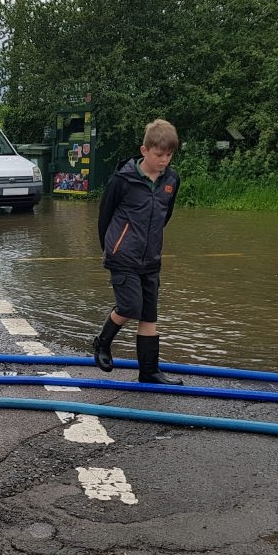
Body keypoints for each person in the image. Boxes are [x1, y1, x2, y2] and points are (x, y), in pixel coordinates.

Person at [92, 118, 184, 385]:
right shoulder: (123, 179)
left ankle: (149, 372)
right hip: (123, 256)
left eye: (169, 155)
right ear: (144, 150)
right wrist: (109, 249)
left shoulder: (171, 181)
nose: (164, 160)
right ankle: (102, 342)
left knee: (149, 314)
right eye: (159, 155)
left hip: (151, 258)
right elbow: (104, 217)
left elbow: (165, 215)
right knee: (130, 306)